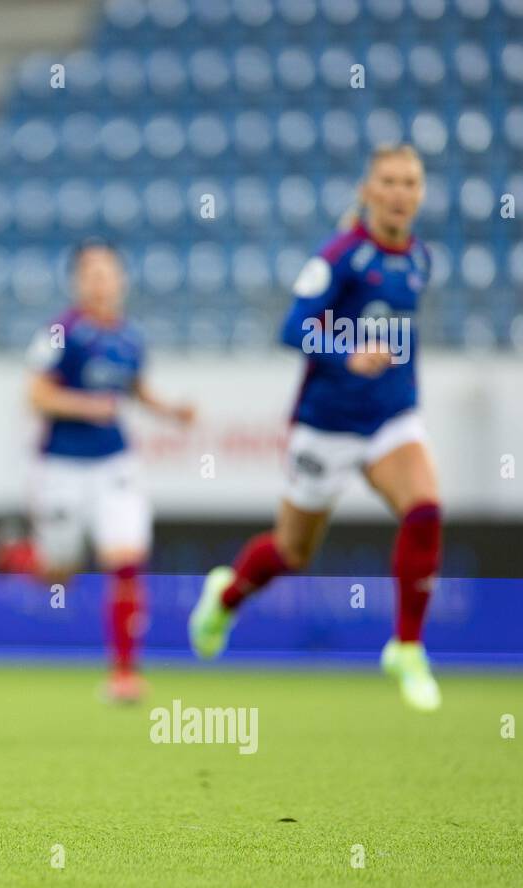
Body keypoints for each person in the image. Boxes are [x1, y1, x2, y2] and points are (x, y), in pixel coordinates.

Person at [188, 143, 443, 712]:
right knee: (292, 552)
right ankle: (226, 596)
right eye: (390, 182)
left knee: (425, 509)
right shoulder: (341, 256)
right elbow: (291, 329)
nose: (401, 193)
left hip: (389, 418)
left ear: (420, 193)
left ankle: (406, 647)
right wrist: (347, 351)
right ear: (368, 191)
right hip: (326, 423)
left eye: (411, 182)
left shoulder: (421, 258)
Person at [0, 240, 194, 702]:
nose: (101, 282)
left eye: (108, 272)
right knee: (59, 572)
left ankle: (124, 673)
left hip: (115, 462)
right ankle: (13, 556)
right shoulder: (60, 332)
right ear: (78, 281)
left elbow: (135, 391)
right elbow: (36, 396)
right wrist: (86, 406)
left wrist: (172, 411)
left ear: (121, 279)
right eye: (91, 273)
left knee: (125, 559)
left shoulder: (131, 337)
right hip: (61, 464)